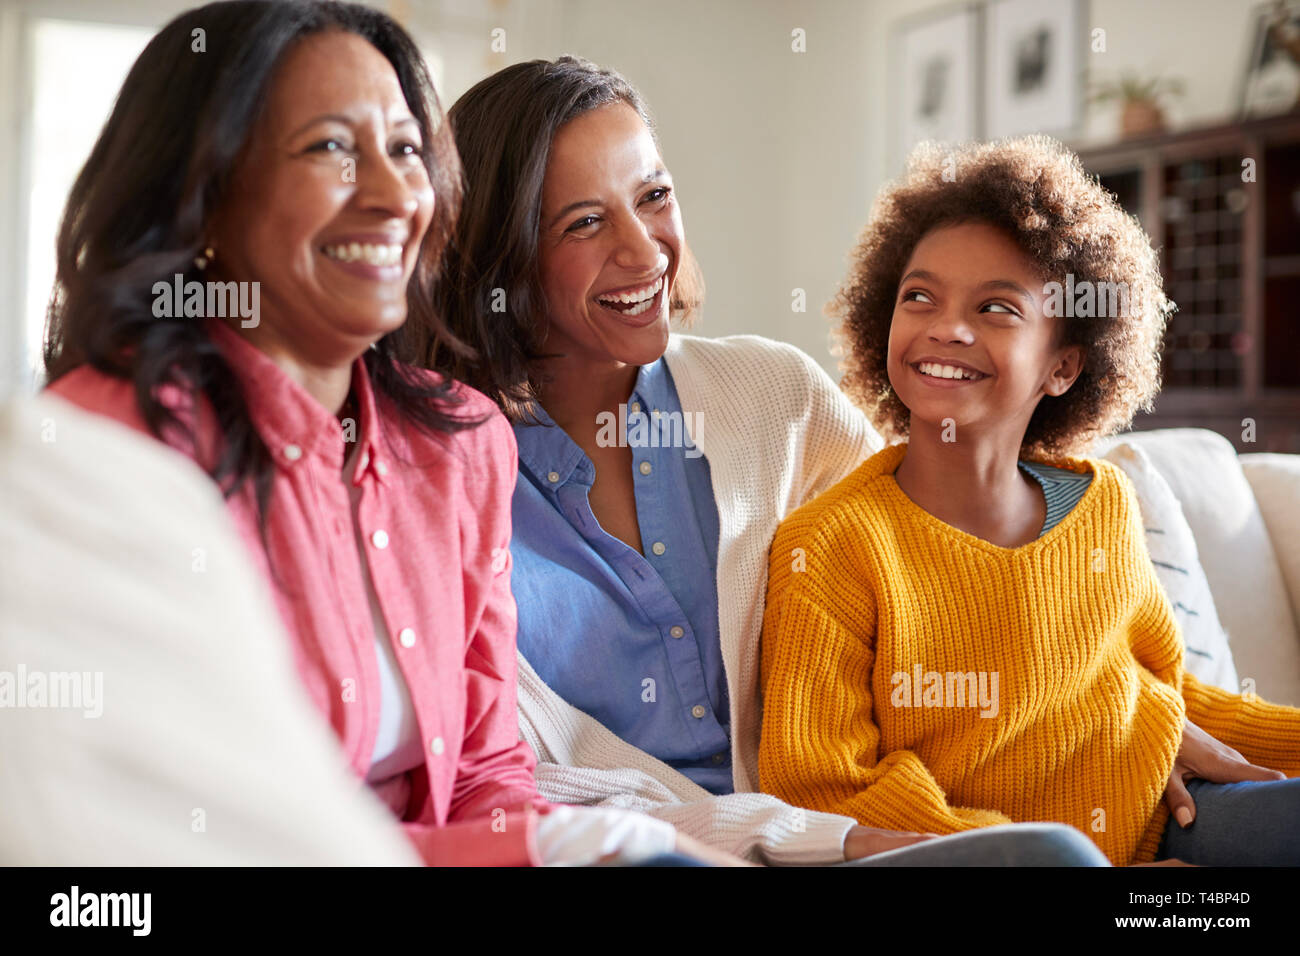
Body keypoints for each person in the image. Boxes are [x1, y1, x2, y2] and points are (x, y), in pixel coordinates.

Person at [41, 1, 724, 867]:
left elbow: (484, 777)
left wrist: (581, 851)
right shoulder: (104, 451)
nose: (392, 192)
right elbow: (147, 839)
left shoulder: (460, 443)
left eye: (404, 150)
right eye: (331, 148)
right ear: (204, 196)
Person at [427, 56, 1112, 866]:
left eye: (653, 196)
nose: (645, 251)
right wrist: (823, 839)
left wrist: (1131, 721)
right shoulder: (439, 483)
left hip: (857, 827)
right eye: (583, 223)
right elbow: (528, 785)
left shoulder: (772, 396)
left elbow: (943, 582)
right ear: (499, 258)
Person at [757, 136, 1300, 866]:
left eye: (995, 308)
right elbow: (821, 787)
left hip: (1171, 823)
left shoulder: (1102, 503)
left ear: (1063, 366)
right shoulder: (829, 545)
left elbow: (1157, 694)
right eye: (919, 296)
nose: (946, 327)